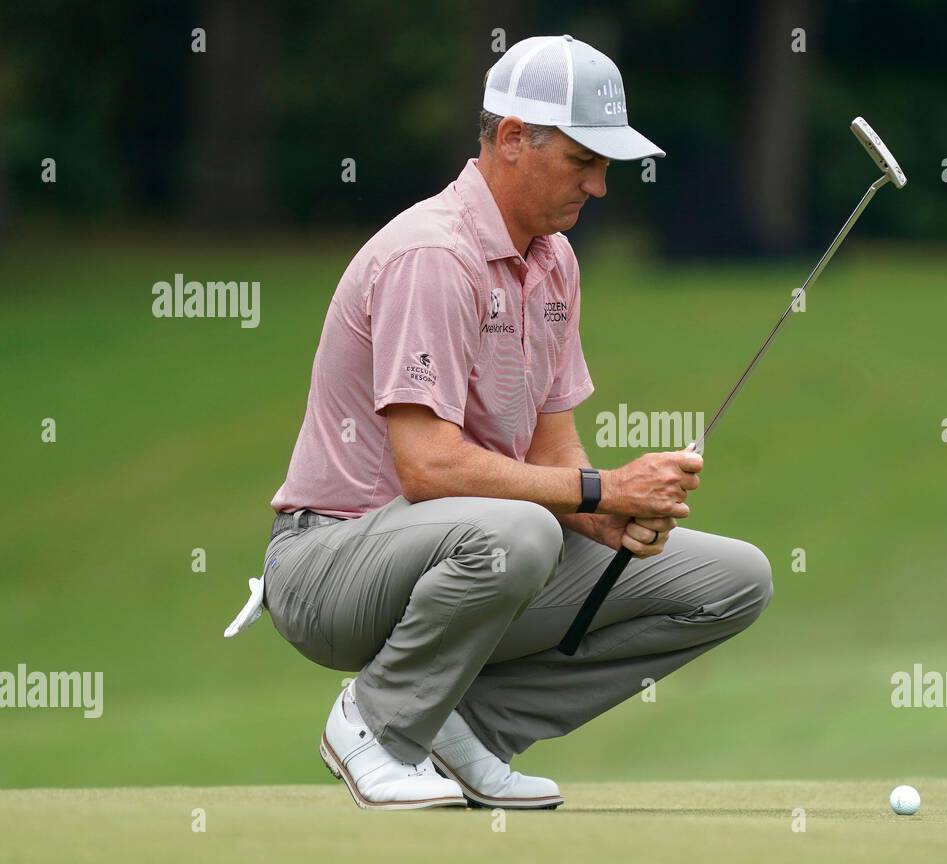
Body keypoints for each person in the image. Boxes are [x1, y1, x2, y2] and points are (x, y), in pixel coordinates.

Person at [226, 35, 773, 811]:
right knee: (520, 531)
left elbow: (554, 451)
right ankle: (376, 724)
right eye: (584, 161)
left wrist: (611, 516)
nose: (601, 186)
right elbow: (429, 468)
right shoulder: (431, 255)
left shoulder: (553, 260)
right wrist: (600, 489)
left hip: (466, 552)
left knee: (732, 580)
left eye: (605, 165)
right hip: (326, 566)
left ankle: (462, 729)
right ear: (514, 138)